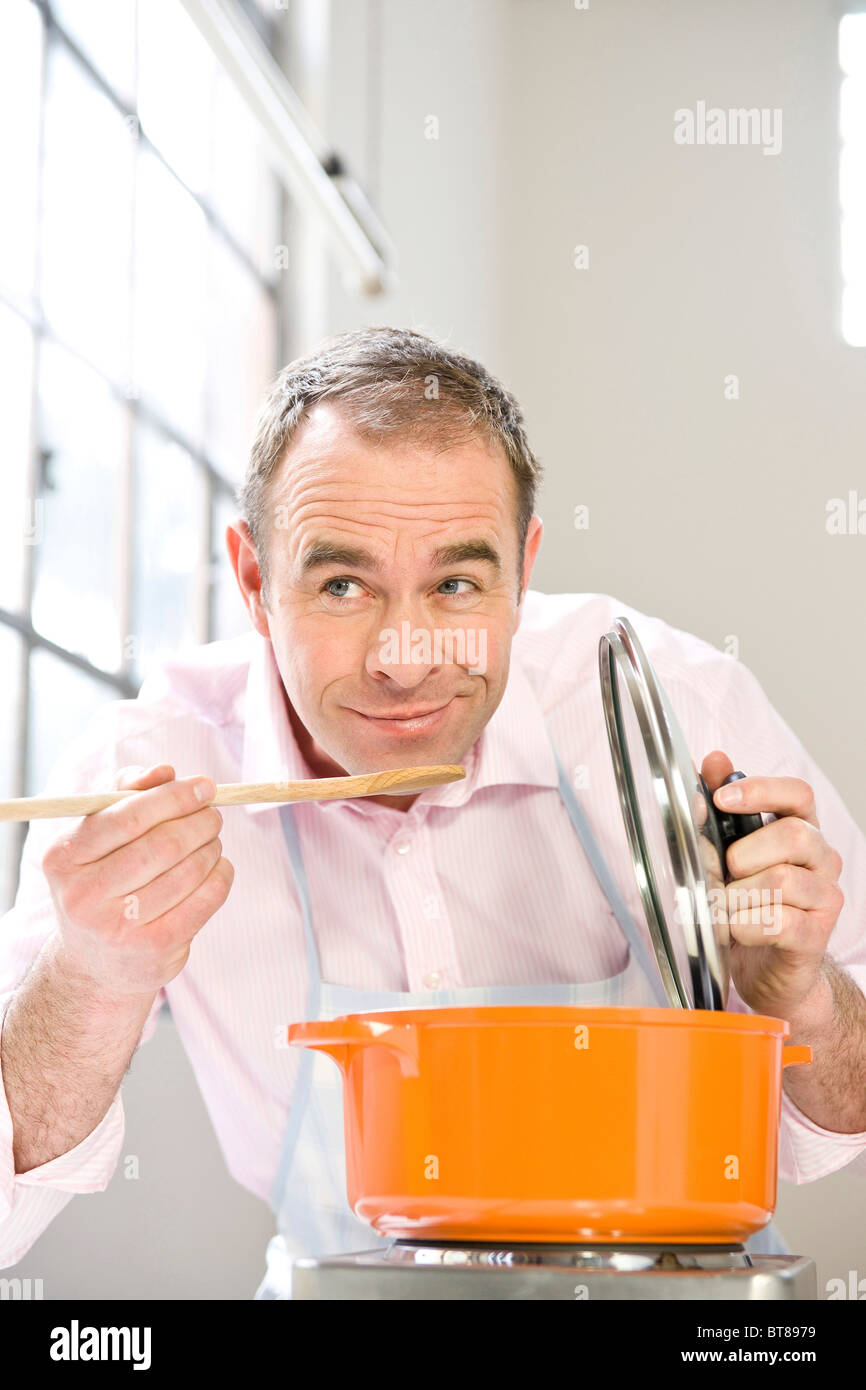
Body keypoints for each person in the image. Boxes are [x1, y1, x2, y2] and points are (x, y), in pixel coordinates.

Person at [1, 326, 865, 1298]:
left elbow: (845, 1114)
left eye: (454, 584)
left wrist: (800, 997)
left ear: (521, 567)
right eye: (341, 584)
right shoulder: (145, 769)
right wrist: (90, 977)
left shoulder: (675, 701)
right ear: (252, 580)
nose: (403, 657)